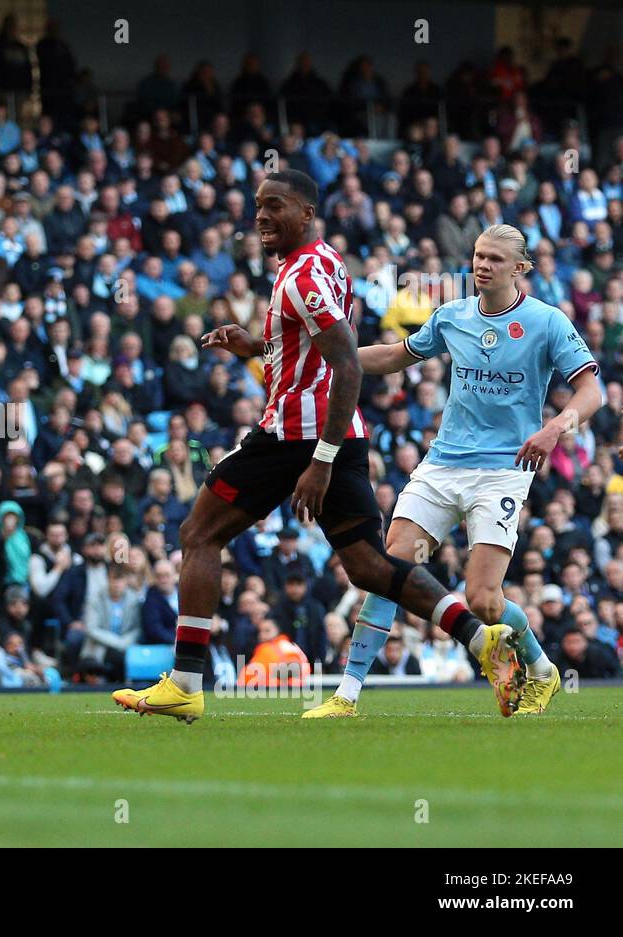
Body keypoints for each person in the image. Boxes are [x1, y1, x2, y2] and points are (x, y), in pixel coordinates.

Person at [113, 170, 514, 725]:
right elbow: (313, 345)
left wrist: (319, 462)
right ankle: (479, 639)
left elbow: (347, 363)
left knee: (198, 533)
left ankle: (184, 683)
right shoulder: (322, 262)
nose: (260, 216)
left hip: (296, 435)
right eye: (256, 206)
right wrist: (256, 345)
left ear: (305, 212)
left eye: (273, 206)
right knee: (369, 567)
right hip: (334, 433)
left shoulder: (301, 277)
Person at [324, 224, 602, 717]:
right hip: (442, 463)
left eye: (495, 259)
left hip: (503, 470)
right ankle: (346, 695)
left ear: (519, 268)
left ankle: (541, 668)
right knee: (388, 569)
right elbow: (394, 355)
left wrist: (555, 427)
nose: (482, 265)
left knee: (484, 602)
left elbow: (591, 393)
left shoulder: (548, 322)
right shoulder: (452, 315)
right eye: (477, 256)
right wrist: (329, 355)